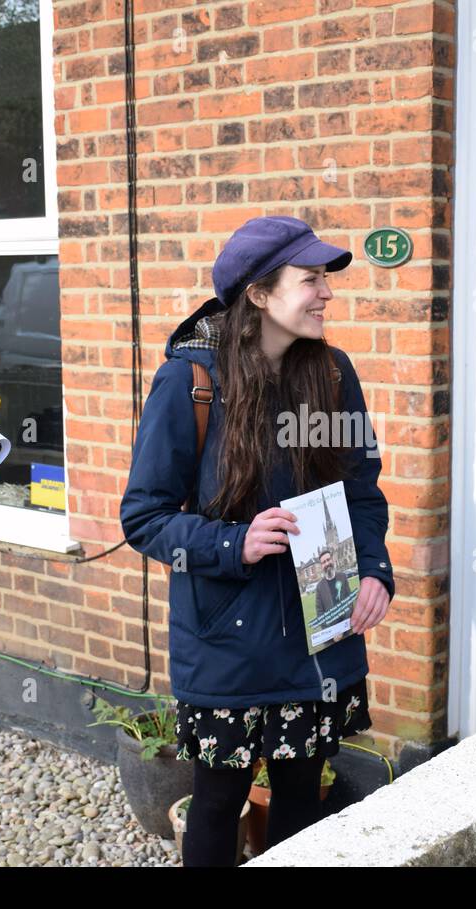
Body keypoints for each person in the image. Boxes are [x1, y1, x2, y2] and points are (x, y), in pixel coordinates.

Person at [119, 216, 394, 866]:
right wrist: (233, 544)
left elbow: (361, 489)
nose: (325, 292)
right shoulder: (190, 384)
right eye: (310, 279)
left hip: (319, 635)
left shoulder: (331, 375)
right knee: (218, 803)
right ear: (260, 295)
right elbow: (144, 518)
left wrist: (375, 571)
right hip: (226, 643)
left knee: (304, 796)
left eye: (325, 277)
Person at [314, 547, 354, 625]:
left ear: (332, 560)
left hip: (348, 624)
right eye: (324, 562)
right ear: (321, 566)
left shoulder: (342, 577)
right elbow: (320, 613)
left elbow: (349, 600)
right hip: (333, 632)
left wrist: (344, 625)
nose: (327, 563)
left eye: (328, 560)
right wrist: (332, 631)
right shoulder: (319, 587)